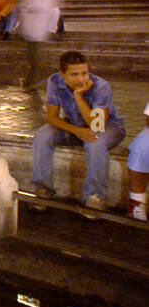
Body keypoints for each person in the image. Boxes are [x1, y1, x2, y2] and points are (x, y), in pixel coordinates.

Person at [30, 51, 125, 212]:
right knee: (43, 134)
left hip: (108, 127)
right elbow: (51, 117)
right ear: (62, 74)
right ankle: (42, 189)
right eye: (74, 74)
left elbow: (96, 125)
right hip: (76, 125)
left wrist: (78, 96)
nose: (81, 79)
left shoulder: (101, 86)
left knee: (95, 142)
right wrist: (77, 130)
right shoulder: (54, 82)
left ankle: (95, 196)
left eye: (84, 73)